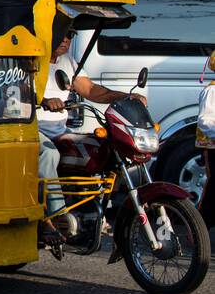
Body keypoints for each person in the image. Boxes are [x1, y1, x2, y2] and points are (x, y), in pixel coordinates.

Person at [38, 26, 143, 226]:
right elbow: (16, 91)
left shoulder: (67, 61)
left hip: (59, 131)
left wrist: (127, 97)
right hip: (31, 129)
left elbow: (92, 90)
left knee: (100, 147)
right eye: (61, 33)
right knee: (49, 154)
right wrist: (43, 100)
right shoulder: (31, 61)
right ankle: (57, 215)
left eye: (70, 35)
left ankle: (94, 211)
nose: (65, 39)